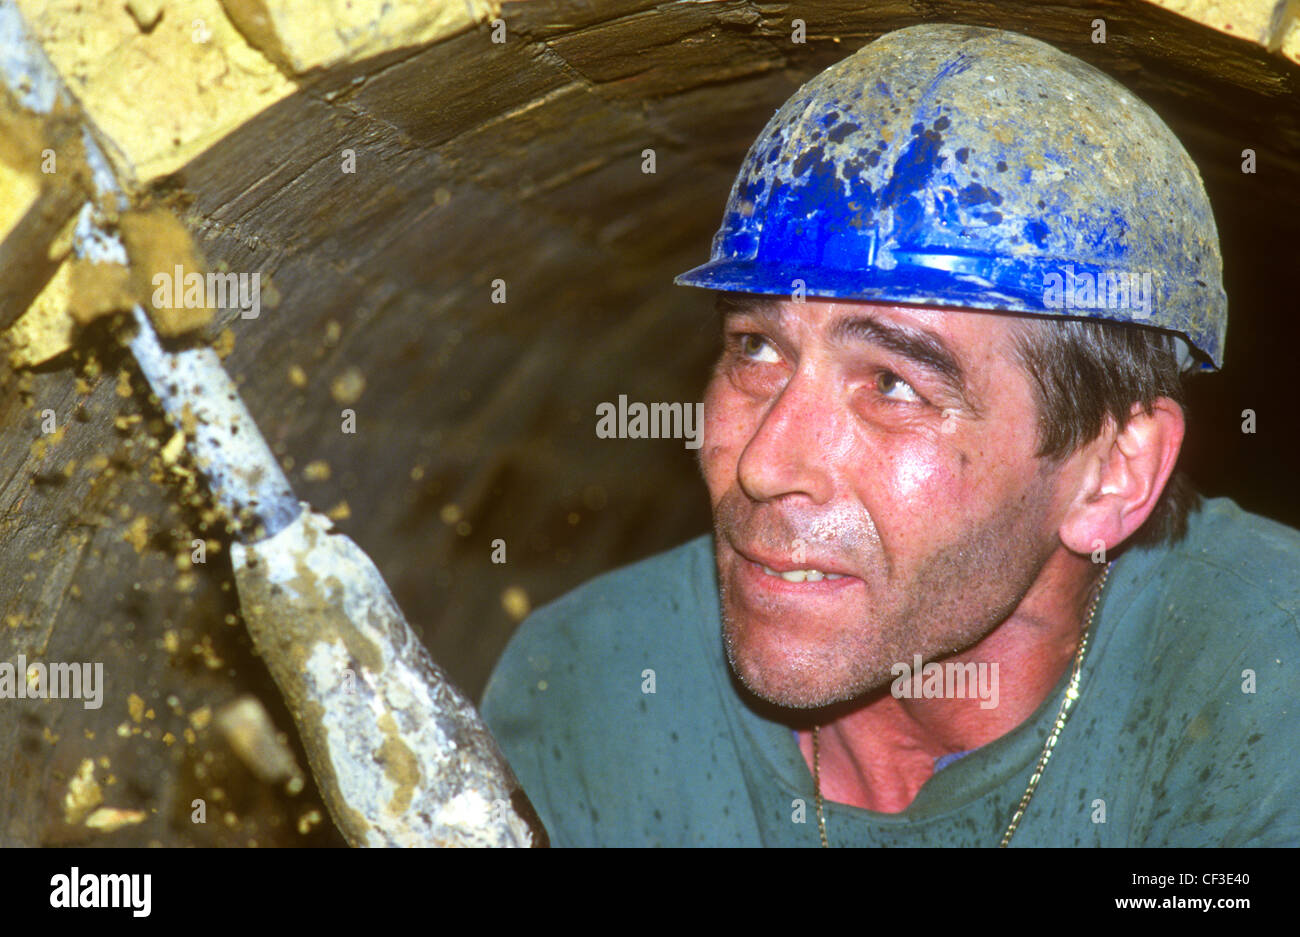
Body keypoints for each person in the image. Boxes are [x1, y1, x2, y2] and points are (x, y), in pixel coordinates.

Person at [480, 23, 1300, 846]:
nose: (766, 463)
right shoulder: (593, 684)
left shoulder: (1264, 686)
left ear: (1111, 474)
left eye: (894, 385)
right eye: (755, 348)